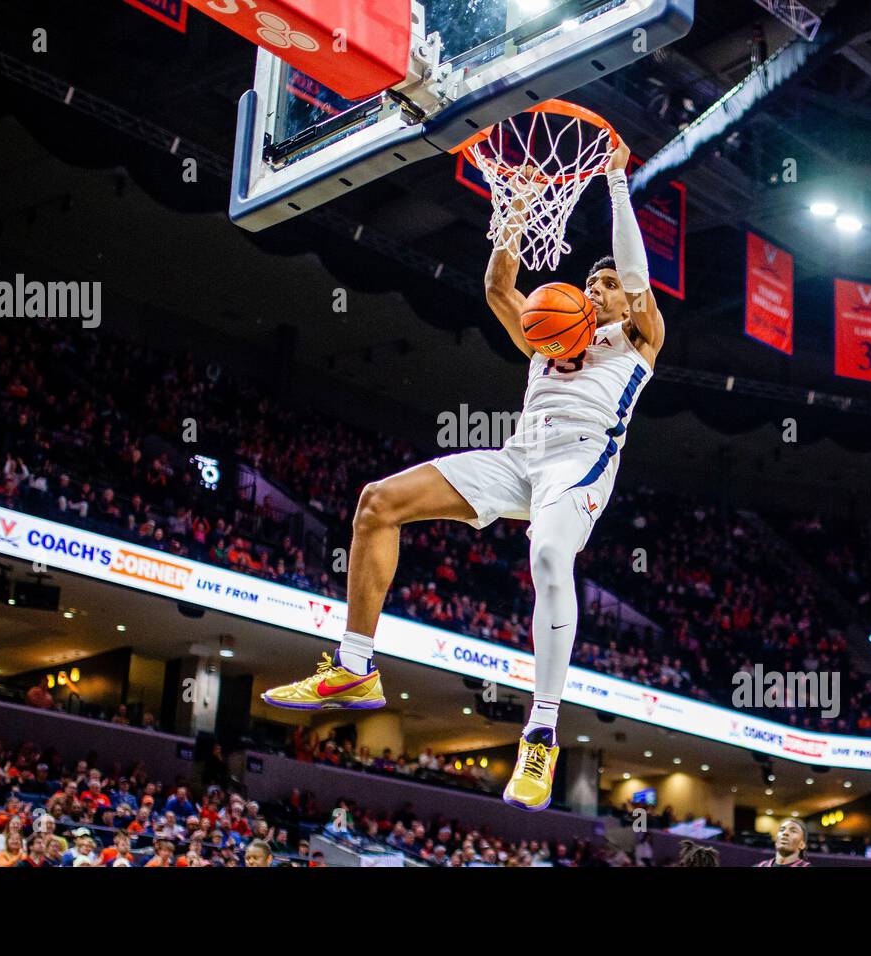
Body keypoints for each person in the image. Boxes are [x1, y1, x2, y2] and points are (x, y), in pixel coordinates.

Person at [261, 130, 663, 814]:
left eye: (605, 285)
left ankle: (540, 732)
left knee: (546, 554)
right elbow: (498, 285)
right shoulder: (545, 338)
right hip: (519, 460)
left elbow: (637, 279)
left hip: (582, 462)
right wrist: (519, 206)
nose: (597, 291)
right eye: (588, 283)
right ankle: (355, 668)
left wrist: (617, 182)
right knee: (376, 503)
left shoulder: (637, 338)